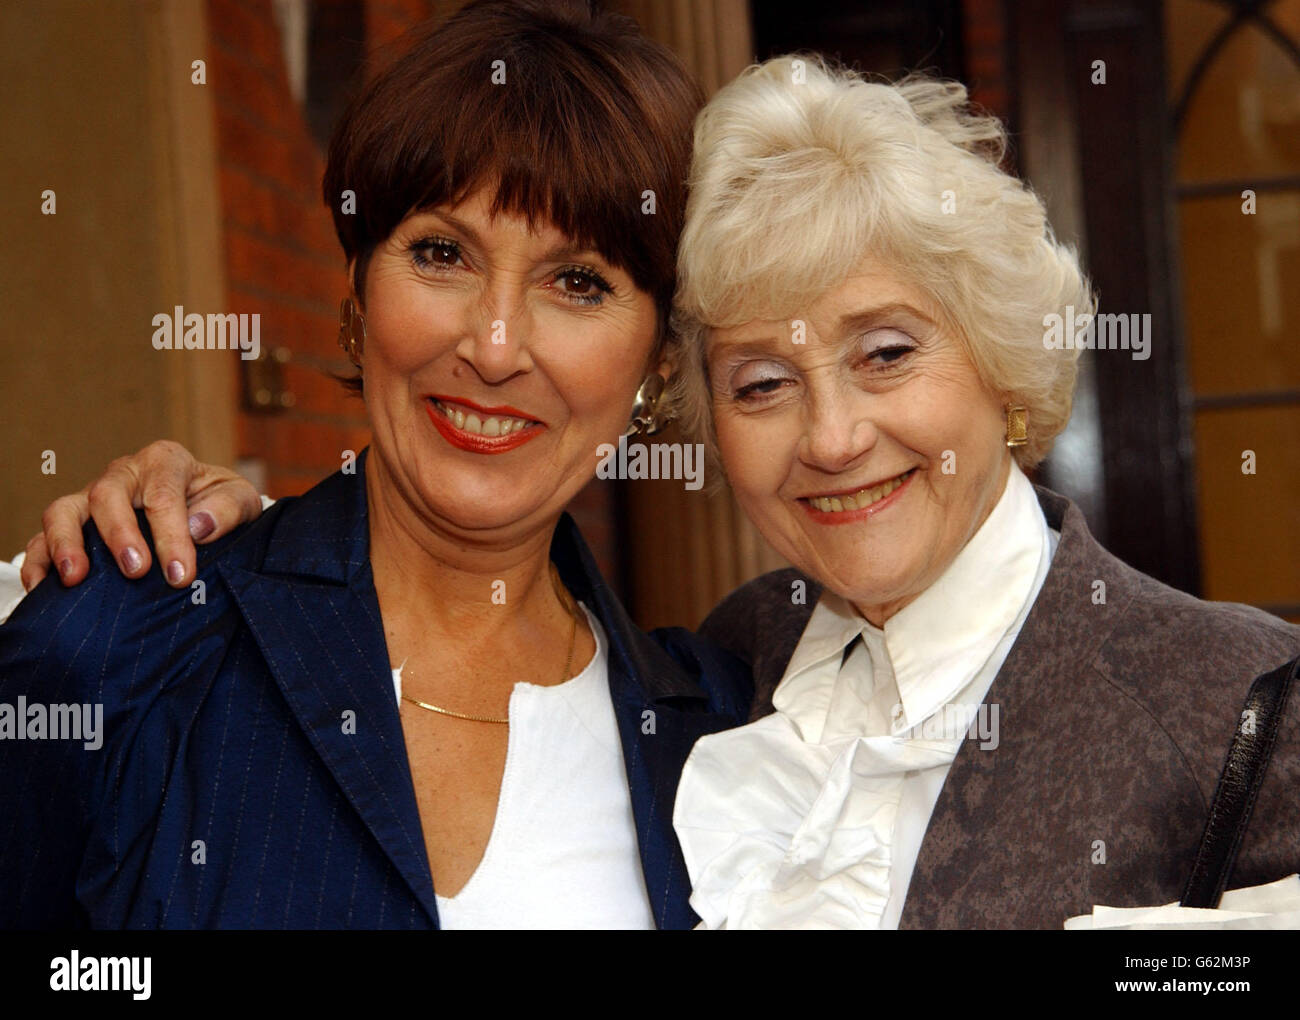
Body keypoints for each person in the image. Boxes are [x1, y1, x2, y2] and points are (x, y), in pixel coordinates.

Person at [14, 57, 1300, 930]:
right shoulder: (730, 674)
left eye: (888, 352)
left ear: (1007, 375)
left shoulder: (1238, 712)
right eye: (759, 383)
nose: (833, 437)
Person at [0, 0, 750, 930]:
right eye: (442, 253)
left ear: (659, 363)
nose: (496, 344)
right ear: (356, 296)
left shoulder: (721, 730)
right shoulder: (119, 642)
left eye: (579, 281)